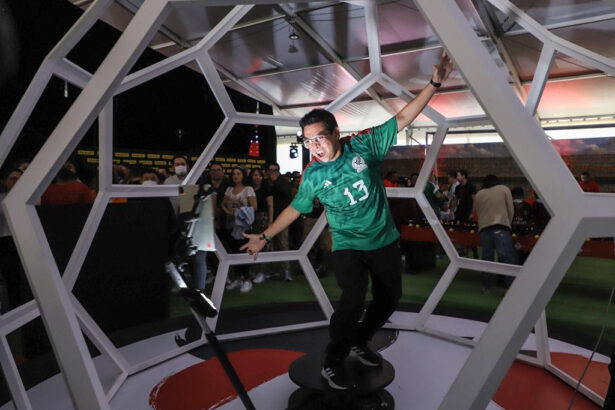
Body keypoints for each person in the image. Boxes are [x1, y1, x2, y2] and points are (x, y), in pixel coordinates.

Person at [241, 52, 454, 390]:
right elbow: (296, 208)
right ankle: (333, 358)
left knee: (389, 299)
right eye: (308, 141)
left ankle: (360, 340)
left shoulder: (364, 146)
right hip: (346, 245)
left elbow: (402, 117)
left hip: (383, 240)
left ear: (336, 132)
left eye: (319, 138)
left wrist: (434, 84)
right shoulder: (312, 174)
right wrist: (264, 236)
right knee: (352, 298)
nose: (314, 147)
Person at [473, 175, 514, 292]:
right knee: (506, 258)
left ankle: (486, 286)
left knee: (487, 258)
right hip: (501, 227)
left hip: (484, 229)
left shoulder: (479, 194)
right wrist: (508, 223)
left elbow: (477, 211)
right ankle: (509, 287)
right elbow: (510, 209)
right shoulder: (504, 189)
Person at [222, 166, 257, 293]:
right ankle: (238, 277)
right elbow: (223, 204)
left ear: (243, 176)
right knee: (233, 252)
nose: (236, 176)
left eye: (238, 174)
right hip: (230, 225)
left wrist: (238, 213)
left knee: (243, 251)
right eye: (234, 174)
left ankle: (247, 279)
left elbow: (254, 207)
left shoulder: (248, 189)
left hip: (243, 226)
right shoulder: (229, 189)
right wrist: (228, 212)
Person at [266, 162, 293, 281]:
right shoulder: (265, 182)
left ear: (279, 171)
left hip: (282, 219)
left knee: (283, 244)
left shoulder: (283, 181)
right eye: (271, 170)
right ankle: (274, 270)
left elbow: (287, 194)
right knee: (271, 245)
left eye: (275, 170)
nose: (273, 172)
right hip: (268, 218)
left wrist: (276, 181)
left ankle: (286, 271)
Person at [248, 168, 273, 284]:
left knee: (262, 245)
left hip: (262, 219)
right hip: (250, 220)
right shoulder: (248, 189)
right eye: (255, 175)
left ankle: (262, 272)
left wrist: (270, 222)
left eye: (260, 175)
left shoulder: (266, 189)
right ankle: (254, 269)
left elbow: (270, 206)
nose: (258, 178)